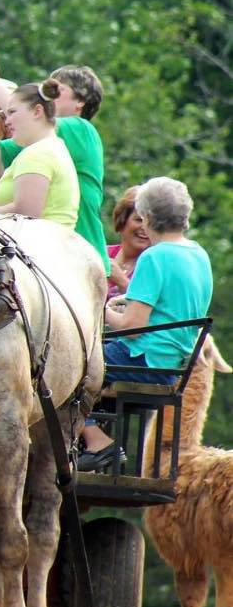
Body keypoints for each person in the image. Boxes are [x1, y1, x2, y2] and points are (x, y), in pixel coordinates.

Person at [79, 177, 213, 470]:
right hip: (170, 365)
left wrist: (98, 308)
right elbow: (170, 307)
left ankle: (97, 441)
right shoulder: (198, 254)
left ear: (148, 216)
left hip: (141, 359)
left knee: (67, 364)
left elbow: (132, 327)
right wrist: (124, 301)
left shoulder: (154, 256)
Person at [0, 59, 109, 274]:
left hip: (79, 254)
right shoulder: (34, 144)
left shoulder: (82, 129)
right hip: (57, 255)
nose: (47, 93)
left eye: (57, 89)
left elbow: (30, 115)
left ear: (80, 101)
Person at [0, 80, 79, 226]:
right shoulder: (50, 147)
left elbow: (26, 213)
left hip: (41, 239)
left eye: (12, 112)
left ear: (37, 111)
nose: (7, 122)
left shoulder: (39, 153)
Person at [107, 186, 149, 301]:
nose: (144, 227)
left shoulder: (153, 265)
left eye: (150, 222)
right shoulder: (102, 255)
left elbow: (150, 307)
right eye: (139, 220)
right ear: (122, 220)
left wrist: (122, 281)